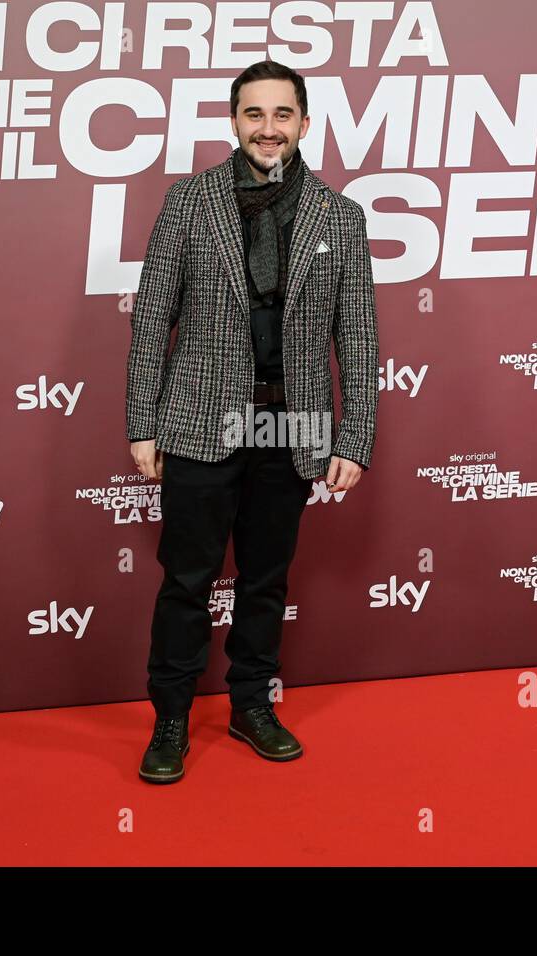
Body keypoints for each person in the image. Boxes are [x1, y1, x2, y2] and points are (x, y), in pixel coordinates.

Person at [125, 59, 379, 783]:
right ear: (234, 122)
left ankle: (251, 707)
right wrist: (144, 422)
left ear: (304, 122)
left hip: (291, 428)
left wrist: (353, 435)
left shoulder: (339, 216)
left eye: (282, 114)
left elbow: (356, 336)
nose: (268, 129)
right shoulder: (188, 202)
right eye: (253, 114)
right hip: (202, 421)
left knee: (266, 579)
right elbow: (152, 322)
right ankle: (170, 720)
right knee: (187, 579)